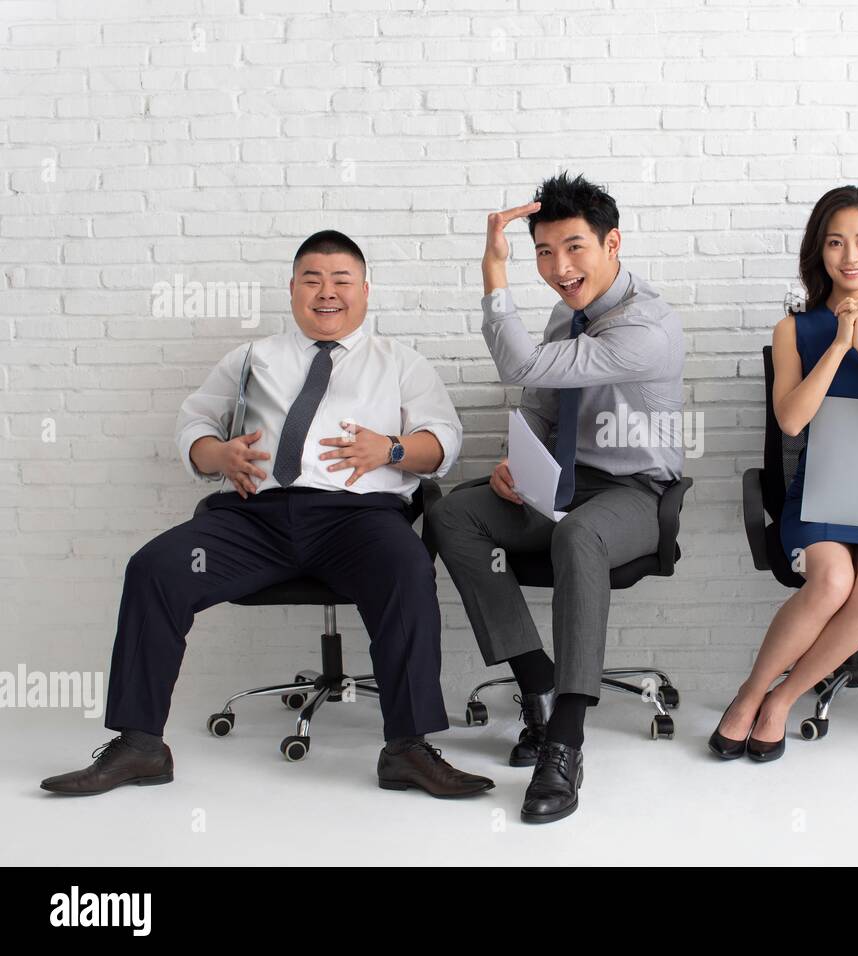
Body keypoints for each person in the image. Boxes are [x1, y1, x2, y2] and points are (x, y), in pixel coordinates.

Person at [40, 231, 494, 799]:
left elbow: (445, 441)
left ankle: (407, 748)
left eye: (341, 280)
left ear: (365, 290)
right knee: (155, 568)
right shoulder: (252, 358)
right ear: (293, 289)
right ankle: (140, 746)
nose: (326, 293)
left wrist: (394, 450)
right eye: (313, 279)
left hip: (358, 519)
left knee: (406, 570)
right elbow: (195, 425)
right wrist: (219, 454)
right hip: (254, 518)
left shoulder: (400, 363)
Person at [430, 172, 686, 823]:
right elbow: (540, 404)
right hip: (560, 482)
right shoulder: (561, 316)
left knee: (580, 535)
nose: (559, 267)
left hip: (634, 494)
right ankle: (534, 681)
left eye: (573, 248)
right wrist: (517, 465)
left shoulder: (645, 327)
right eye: (543, 252)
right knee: (453, 513)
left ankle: (564, 742)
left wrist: (494, 274)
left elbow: (519, 367)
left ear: (613, 242)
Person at [710, 185, 858, 762]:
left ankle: (782, 699)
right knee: (833, 581)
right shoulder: (794, 330)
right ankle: (748, 694)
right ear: (820, 251)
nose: (851, 256)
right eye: (836, 243)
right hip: (819, 497)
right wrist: (839, 345)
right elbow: (790, 421)